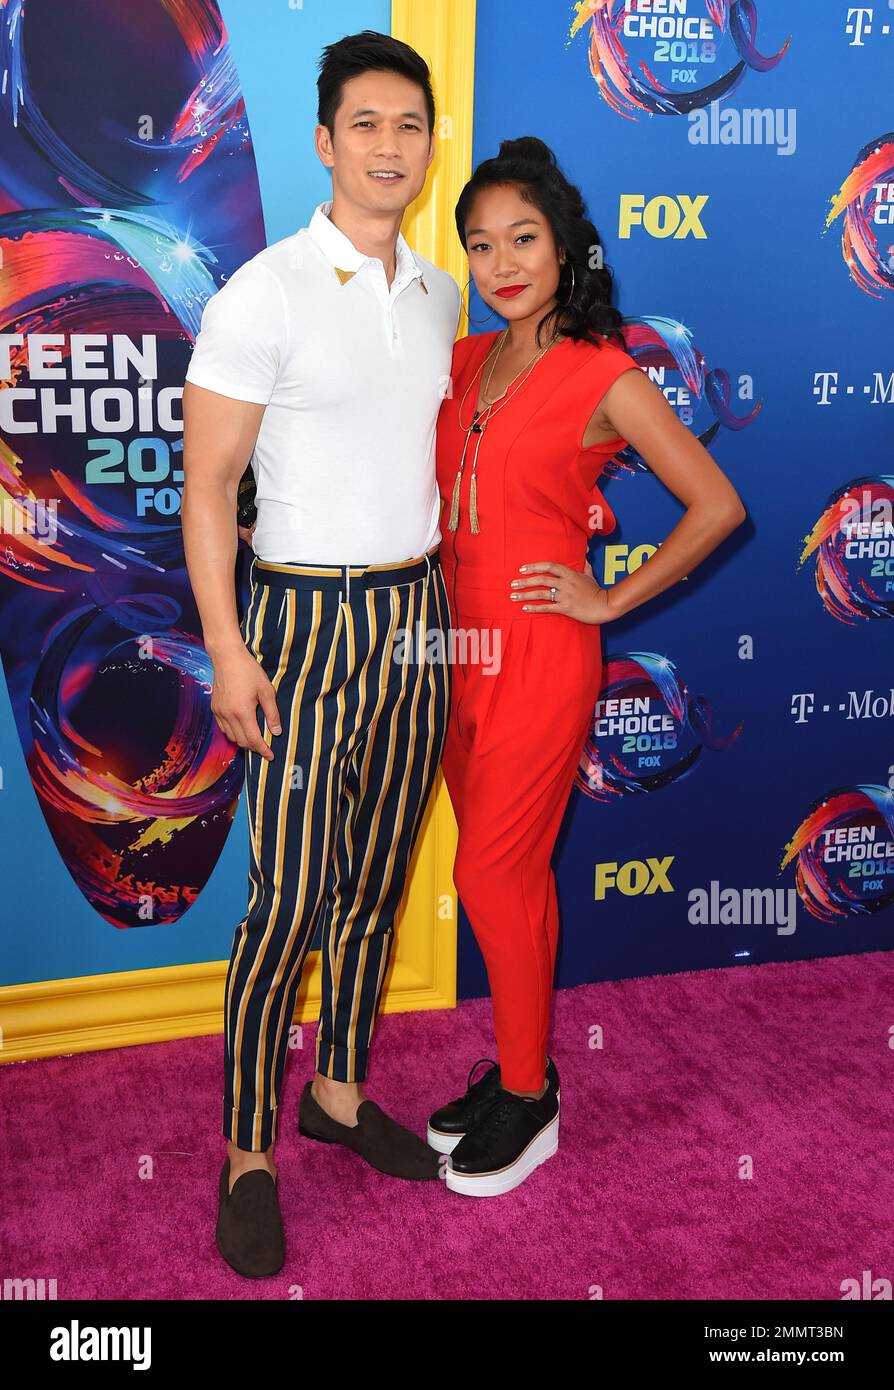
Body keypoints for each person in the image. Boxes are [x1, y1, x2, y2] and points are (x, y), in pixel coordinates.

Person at [181, 32, 461, 1277]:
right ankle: (249, 1152)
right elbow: (207, 491)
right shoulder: (263, 292)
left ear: (428, 140)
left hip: (419, 613)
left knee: (375, 882)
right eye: (366, 125)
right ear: (323, 140)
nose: (389, 147)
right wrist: (228, 652)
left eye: (409, 125)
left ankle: (337, 1093)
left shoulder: (443, 290)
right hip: (298, 625)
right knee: (286, 902)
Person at [428, 136, 746, 1197]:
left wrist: (607, 597)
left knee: (488, 874)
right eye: (481, 245)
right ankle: (527, 1070)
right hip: (449, 651)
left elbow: (718, 505)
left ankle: (530, 1100)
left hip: (539, 653)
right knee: (506, 873)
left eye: (524, 238)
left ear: (567, 248)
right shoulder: (469, 357)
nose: (503, 262)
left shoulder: (606, 374)